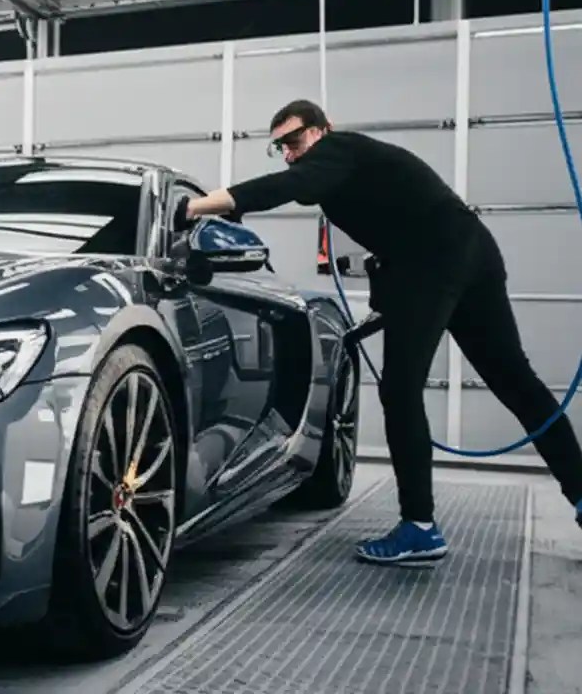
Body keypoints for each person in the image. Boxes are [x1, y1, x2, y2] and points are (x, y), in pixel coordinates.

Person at [177, 99, 582, 564]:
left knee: (401, 390)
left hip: (435, 260)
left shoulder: (338, 149)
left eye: (294, 141)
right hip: (469, 250)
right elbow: (390, 222)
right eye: (280, 148)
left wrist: (195, 206)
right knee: (517, 383)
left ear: (323, 129)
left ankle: (420, 528)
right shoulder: (346, 166)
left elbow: (286, 186)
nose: (290, 154)